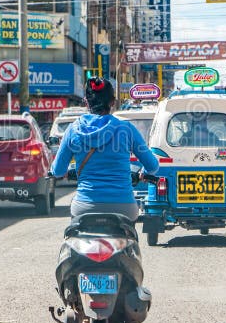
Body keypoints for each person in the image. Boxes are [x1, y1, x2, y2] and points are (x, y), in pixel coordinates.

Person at [51, 77, 159, 221]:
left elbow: (58, 171)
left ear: (86, 102)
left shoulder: (73, 130)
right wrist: (143, 174)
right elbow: (152, 166)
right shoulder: (126, 130)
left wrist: (56, 171)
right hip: (123, 206)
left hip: (85, 206)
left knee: (71, 238)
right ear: (113, 102)